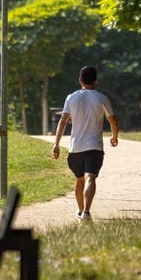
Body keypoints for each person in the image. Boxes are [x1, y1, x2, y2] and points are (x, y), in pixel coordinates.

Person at [52, 65, 119, 221]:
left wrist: (56, 144)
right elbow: (113, 121)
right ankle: (86, 212)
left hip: (75, 148)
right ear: (96, 81)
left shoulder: (71, 97)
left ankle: (80, 210)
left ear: (80, 80)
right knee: (90, 177)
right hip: (94, 146)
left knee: (79, 179)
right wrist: (115, 136)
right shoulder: (102, 98)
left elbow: (62, 122)